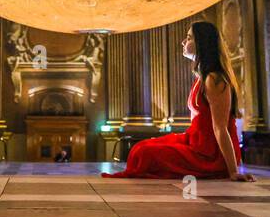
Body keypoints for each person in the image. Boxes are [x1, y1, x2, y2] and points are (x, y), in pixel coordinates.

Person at [104, 21, 254, 181]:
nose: (183, 42)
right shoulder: (201, 78)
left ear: (201, 44)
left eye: (189, 38)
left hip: (209, 154)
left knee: (143, 154)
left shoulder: (214, 79)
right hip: (194, 142)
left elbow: (220, 128)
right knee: (139, 148)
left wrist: (232, 171)